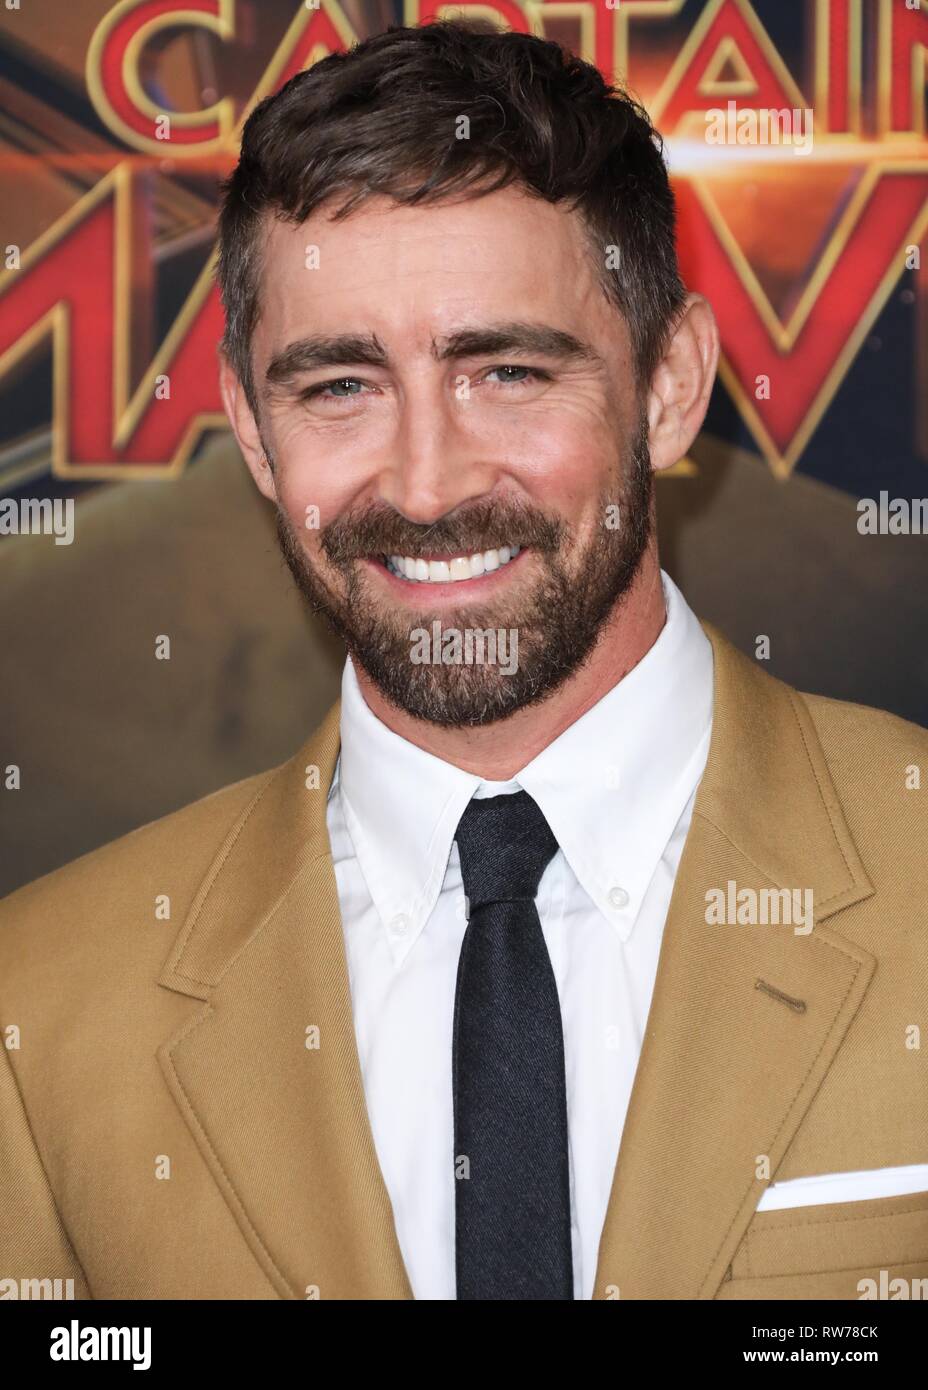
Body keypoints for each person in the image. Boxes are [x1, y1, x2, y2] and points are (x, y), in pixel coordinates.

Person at [2, 19, 926, 1302]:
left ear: (668, 385)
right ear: (254, 436)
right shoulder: (41, 1003)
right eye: (338, 388)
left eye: (504, 371)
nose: (426, 485)